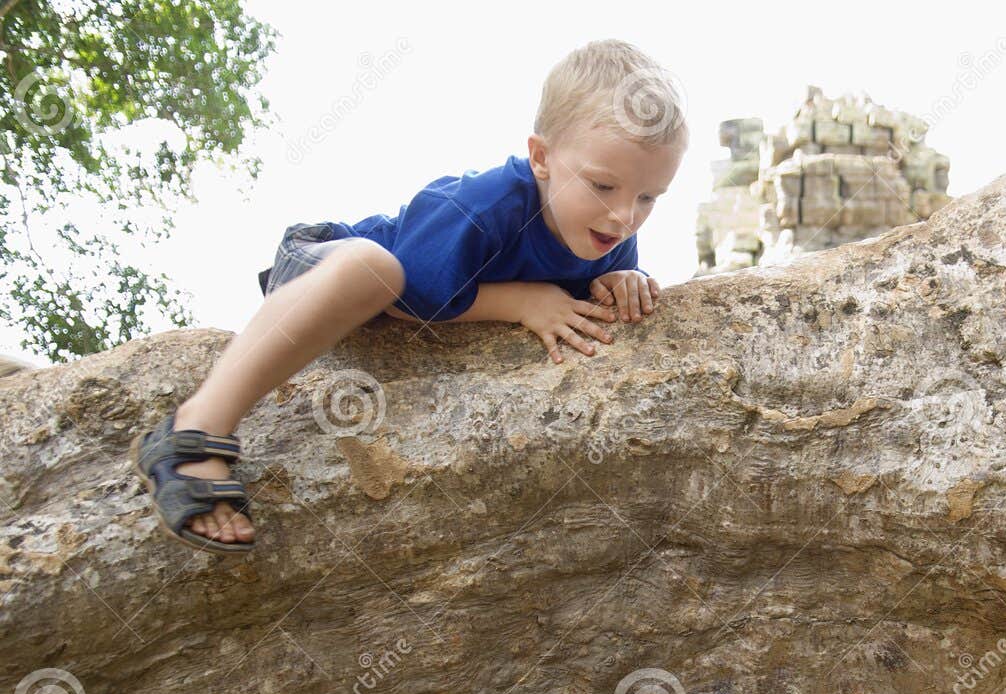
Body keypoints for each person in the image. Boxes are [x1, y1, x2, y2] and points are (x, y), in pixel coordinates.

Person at [130, 38, 687, 554]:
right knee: (375, 270)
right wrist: (522, 301)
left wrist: (620, 282)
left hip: (373, 293)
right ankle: (193, 427)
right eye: (603, 185)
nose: (624, 216)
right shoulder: (483, 204)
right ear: (541, 157)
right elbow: (411, 297)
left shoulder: (608, 234)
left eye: (648, 197)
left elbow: (598, 278)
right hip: (325, 264)